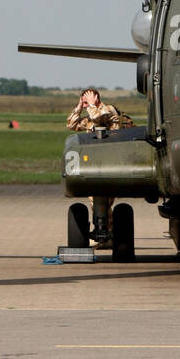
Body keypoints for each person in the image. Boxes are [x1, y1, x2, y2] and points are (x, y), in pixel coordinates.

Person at [66, 87, 134, 249]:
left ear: (96, 97)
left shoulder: (108, 110)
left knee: (106, 198)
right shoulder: (90, 117)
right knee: (96, 199)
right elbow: (71, 124)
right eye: (84, 99)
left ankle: (107, 235)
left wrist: (91, 104)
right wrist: (78, 108)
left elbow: (97, 117)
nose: (86, 102)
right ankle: (103, 234)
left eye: (89, 98)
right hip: (97, 164)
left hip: (113, 162)